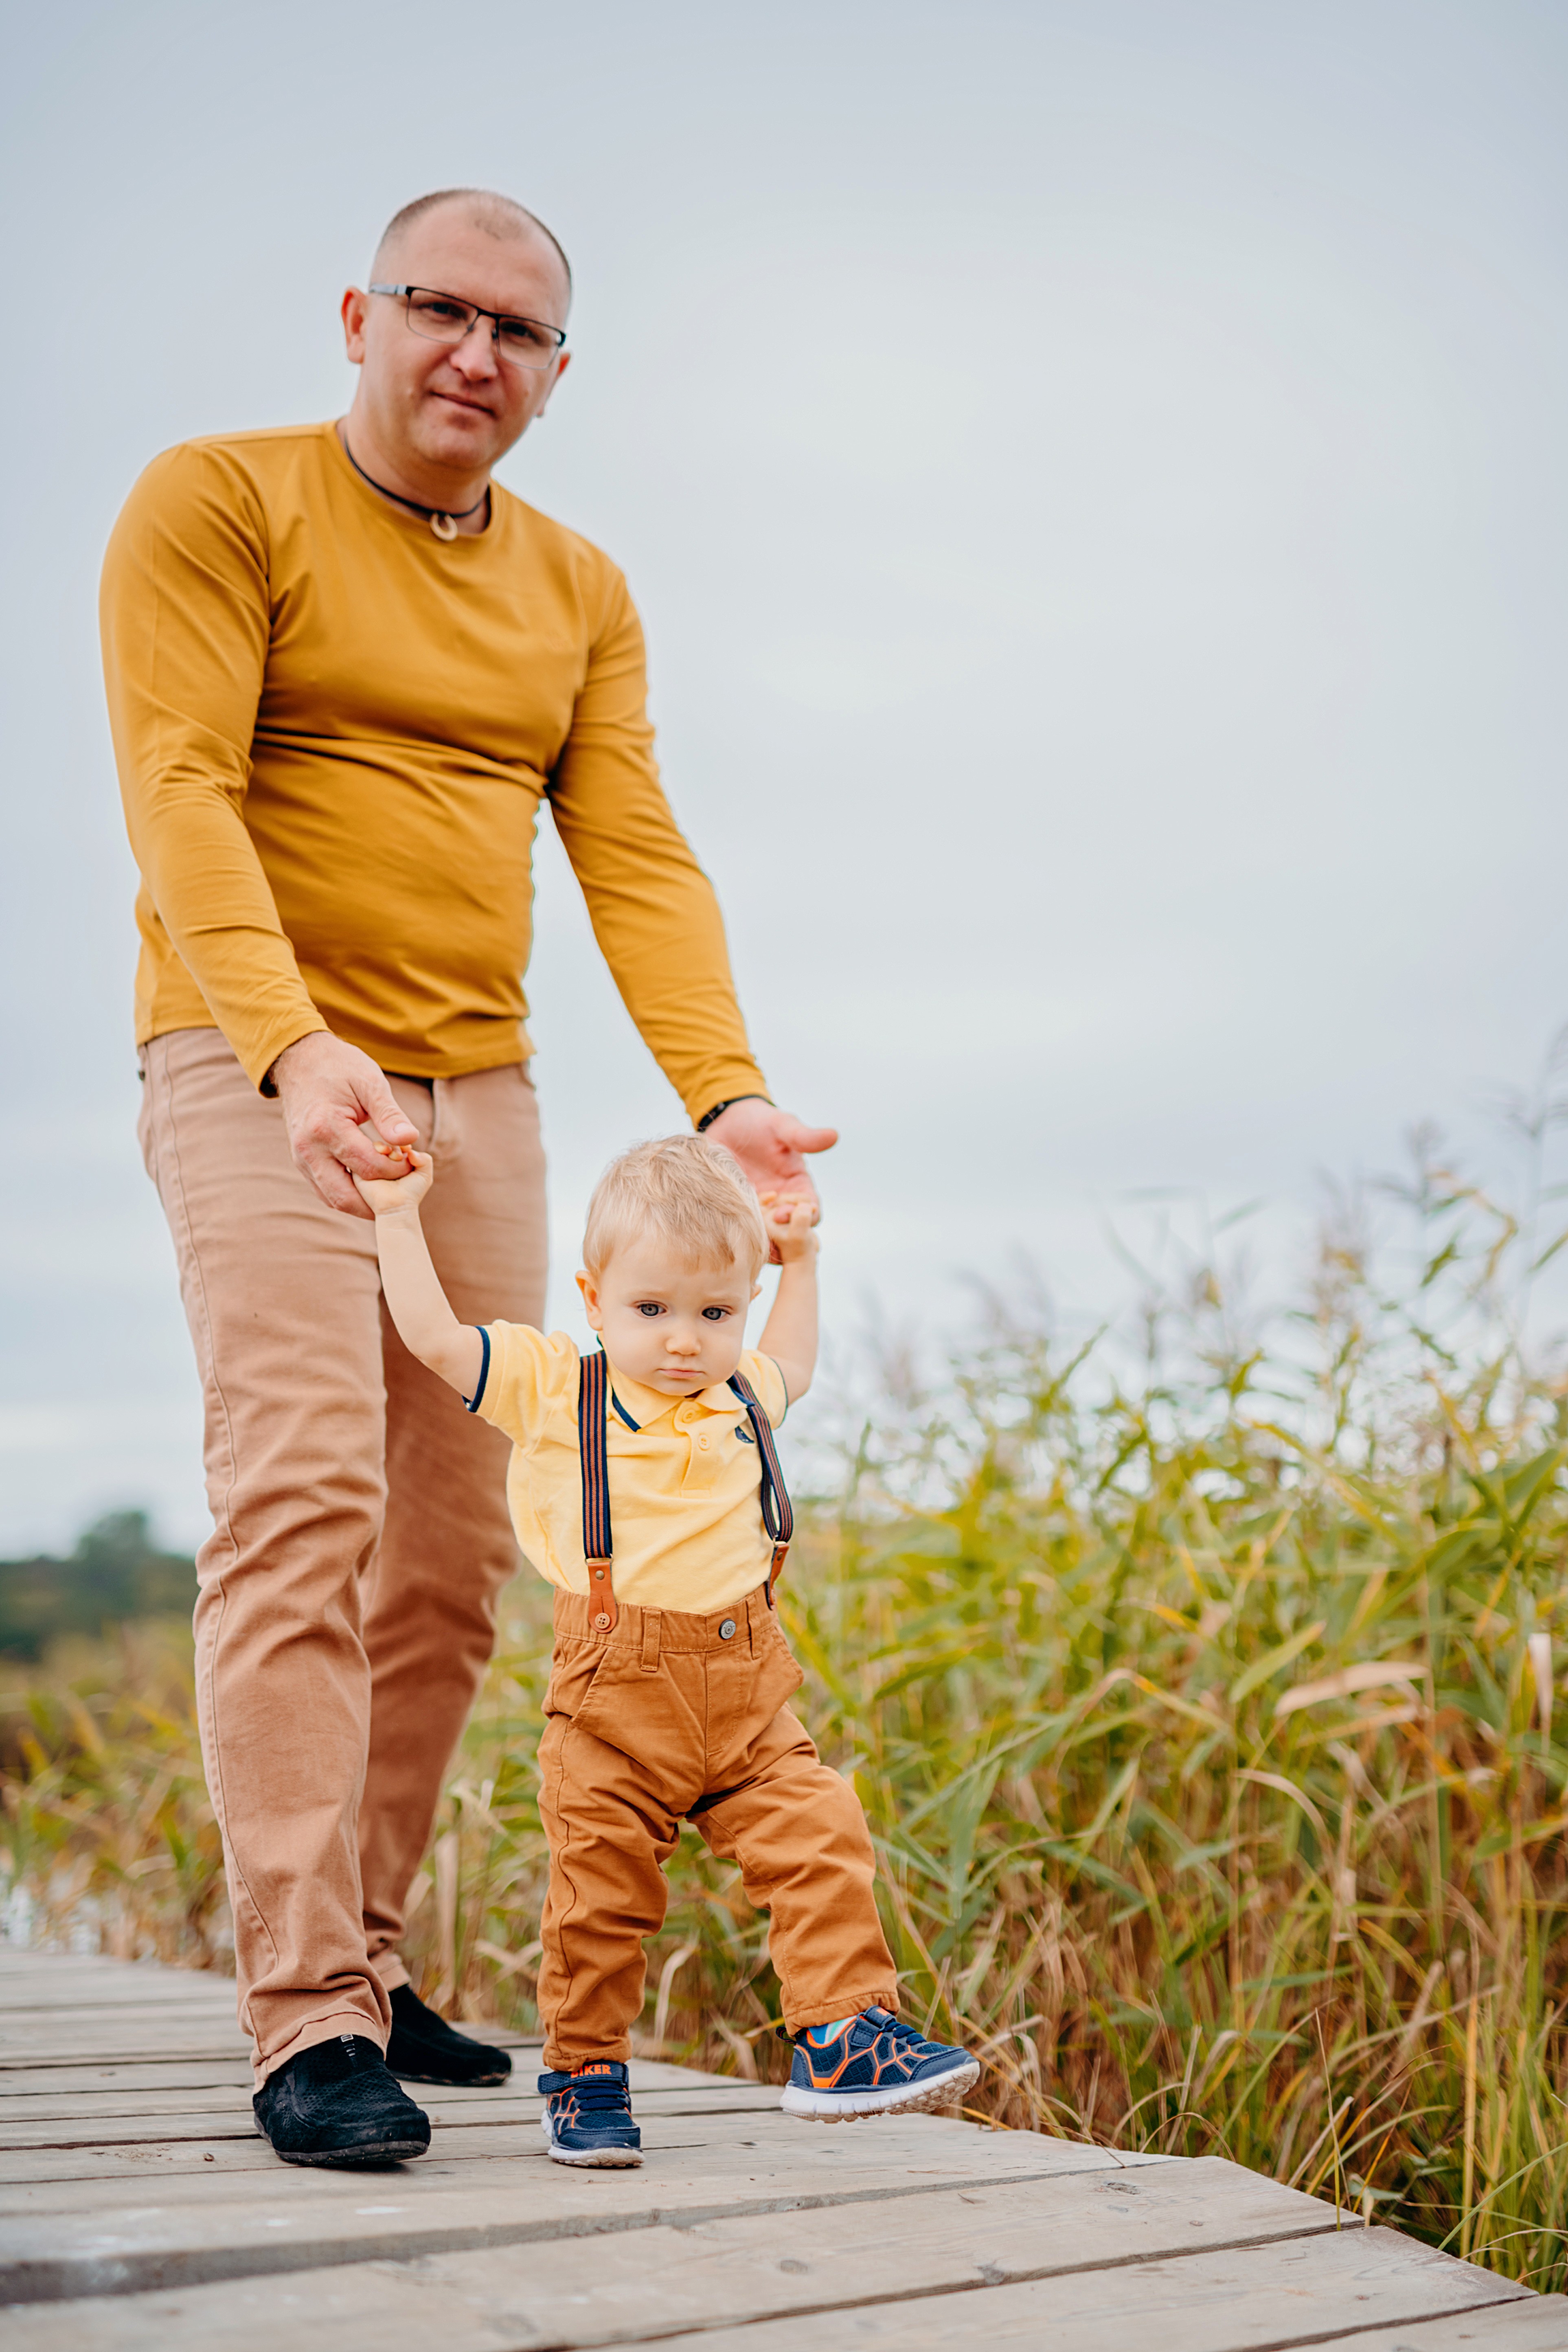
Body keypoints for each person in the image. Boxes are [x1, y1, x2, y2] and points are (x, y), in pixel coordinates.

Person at [99, 186, 836, 2166]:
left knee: (456, 1547)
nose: (475, 355)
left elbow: (637, 849)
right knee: (306, 1491)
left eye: (521, 332)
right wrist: (291, 1043)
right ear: (360, 315)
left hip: (474, 1094)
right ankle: (304, 2013)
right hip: (253, 1060)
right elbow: (179, 786)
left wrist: (728, 1095)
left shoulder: (578, 586)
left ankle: (368, 1943)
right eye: (442, 309)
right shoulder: (217, 500)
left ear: (557, 372)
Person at [357, 1131, 980, 2165]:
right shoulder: (558, 1386)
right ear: (595, 1299)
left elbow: (797, 1357)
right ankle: (585, 2072)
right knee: (600, 1897)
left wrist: (803, 1259)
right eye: (652, 1308)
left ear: (742, 1306)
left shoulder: (743, 1394)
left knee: (821, 1832)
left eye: (716, 1313)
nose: (685, 1340)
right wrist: (395, 1215)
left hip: (747, 1696)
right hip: (613, 1700)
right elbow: (431, 1336)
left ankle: (840, 2035)